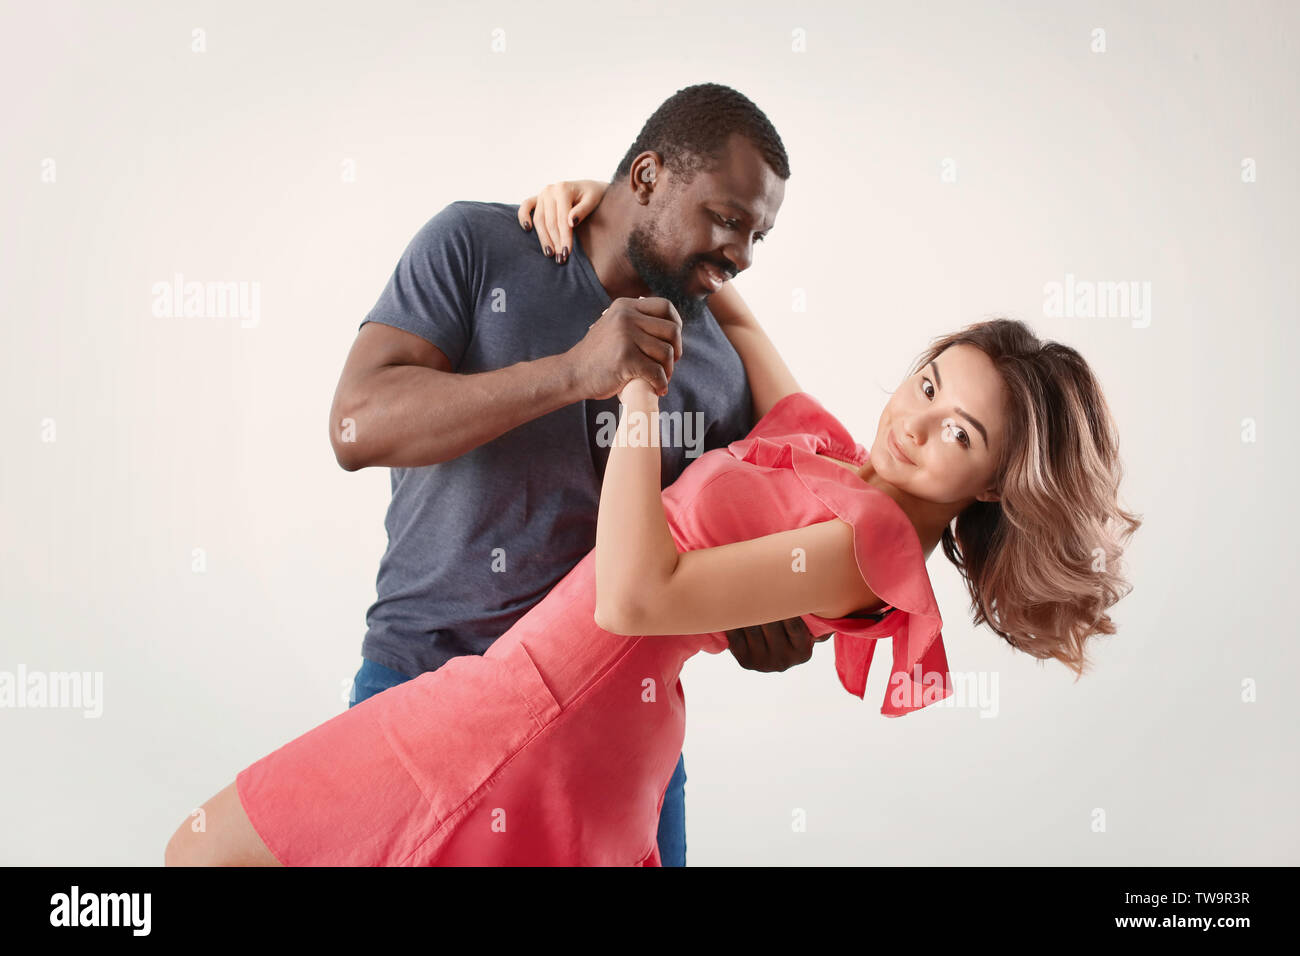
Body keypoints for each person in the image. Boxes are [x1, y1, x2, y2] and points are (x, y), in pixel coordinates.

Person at [164, 288, 1142, 863]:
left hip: (538, 716)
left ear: (990, 486)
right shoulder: (836, 454)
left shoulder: (862, 548)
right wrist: (582, 201)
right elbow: (743, 321)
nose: (916, 420)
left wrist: (632, 387)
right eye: (928, 384)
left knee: (202, 849)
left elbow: (634, 592)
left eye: (956, 432)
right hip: (567, 705)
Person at [327, 83, 809, 868]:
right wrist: (574, 371)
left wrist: (774, 610)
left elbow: (758, 537)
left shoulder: (719, 360)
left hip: (619, 738)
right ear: (647, 176)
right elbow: (357, 425)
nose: (743, 255)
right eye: (727, 219)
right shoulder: (479, 246)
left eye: (759, 236)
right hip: (422, 690)